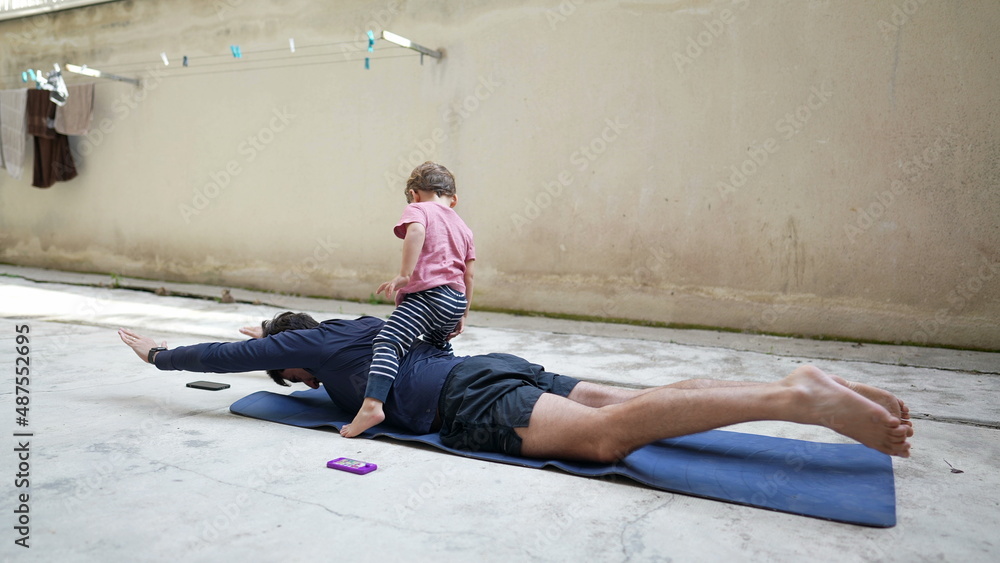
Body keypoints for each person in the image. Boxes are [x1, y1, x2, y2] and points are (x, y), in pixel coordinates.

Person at [118, 313, 913, 461]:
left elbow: (226, 353)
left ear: (291, 366)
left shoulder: (310, 346)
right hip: (492, 369)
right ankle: (787, 381)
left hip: (469, 401)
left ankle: (794, 401)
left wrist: (160, 355)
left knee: (610, 436)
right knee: (622, 399)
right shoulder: (366, 325)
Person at [343, 162, 476, 438]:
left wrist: (404, 275)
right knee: (436, 348)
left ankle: (372, 406)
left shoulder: (418, 209)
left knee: (388, 341)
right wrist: (463, 313)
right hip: (455, 302)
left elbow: (415, 232)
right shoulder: (464, 228)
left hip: (429, 297)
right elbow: (470, 274)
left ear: (415, 194)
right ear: (454, 199)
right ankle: (454, 391)